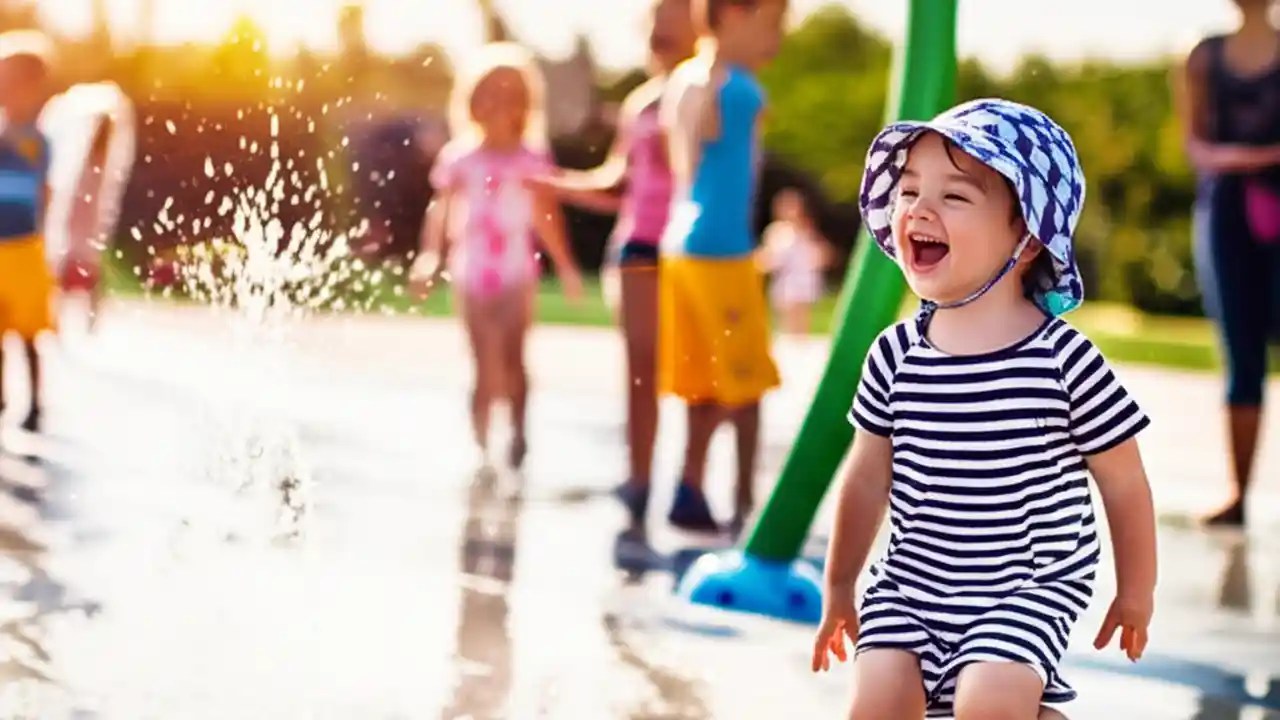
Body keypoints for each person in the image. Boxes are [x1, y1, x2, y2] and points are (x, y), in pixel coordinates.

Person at [811, 100, 1158, 720]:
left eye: (955, 197)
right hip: (910, 585)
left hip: (1024, 588)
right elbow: (865, 476)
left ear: (1026, 238)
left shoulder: (1063, 360)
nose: (918, 208)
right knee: (875, 704)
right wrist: (840, 584)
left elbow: (1124, 481)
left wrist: (1137, 590)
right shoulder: (895, 354)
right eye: (909, 189)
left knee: (987, 704)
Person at [541, 0, 697, 525]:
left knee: (702, 373)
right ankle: (639, 478)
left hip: (694, 249)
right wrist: (552, 183)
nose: (660, 36)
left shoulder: (710, 93)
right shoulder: (642, 104)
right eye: (655, 30)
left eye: (671, 27)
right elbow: (617, 183)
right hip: (639, 247)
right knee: (641, 367)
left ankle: (692, 484)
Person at [410, 42, 584, 472]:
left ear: (526, 104)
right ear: (470, 100)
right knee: (481, 358)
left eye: (510, 93)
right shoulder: (460, 157)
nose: (498, 102)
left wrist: (565, 266)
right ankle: (481, 444)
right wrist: (430, 255)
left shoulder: (531, 159)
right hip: (470, 269)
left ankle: (520, 431)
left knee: (513, 356)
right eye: (489, 91)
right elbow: (441, 210)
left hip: (515, 270)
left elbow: (547, 217)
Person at [656, 0, 787, 534]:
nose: (776, 41)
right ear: (733, 13)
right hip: (723, 247)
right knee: (747, 383)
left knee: (704, 382)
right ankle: (747, 506)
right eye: (771, 25)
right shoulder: (740, 88)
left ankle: (689, 486)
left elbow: (684, 159)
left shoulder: (686, 79)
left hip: (681, 244)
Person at [1176, 0, 1280, 528]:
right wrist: (1255, 158)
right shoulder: (1203, 55)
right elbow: (1194, 143)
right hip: (1227, 217)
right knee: (1241, 358)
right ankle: (1238, 497)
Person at [0, 31, 56, 435]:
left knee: (29, 332)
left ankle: (36, 403)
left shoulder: (38, 140)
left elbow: (45, 189)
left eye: (12, 84)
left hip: (26, 247)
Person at [757, 187, 833, 335]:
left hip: (803, 280)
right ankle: (790, 342)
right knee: (788, 317)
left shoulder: (807, 230)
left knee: (802, 316)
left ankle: (799, 343)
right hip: (786, 281)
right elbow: (770, 257)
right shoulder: (777, 231)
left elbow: (820, 253)